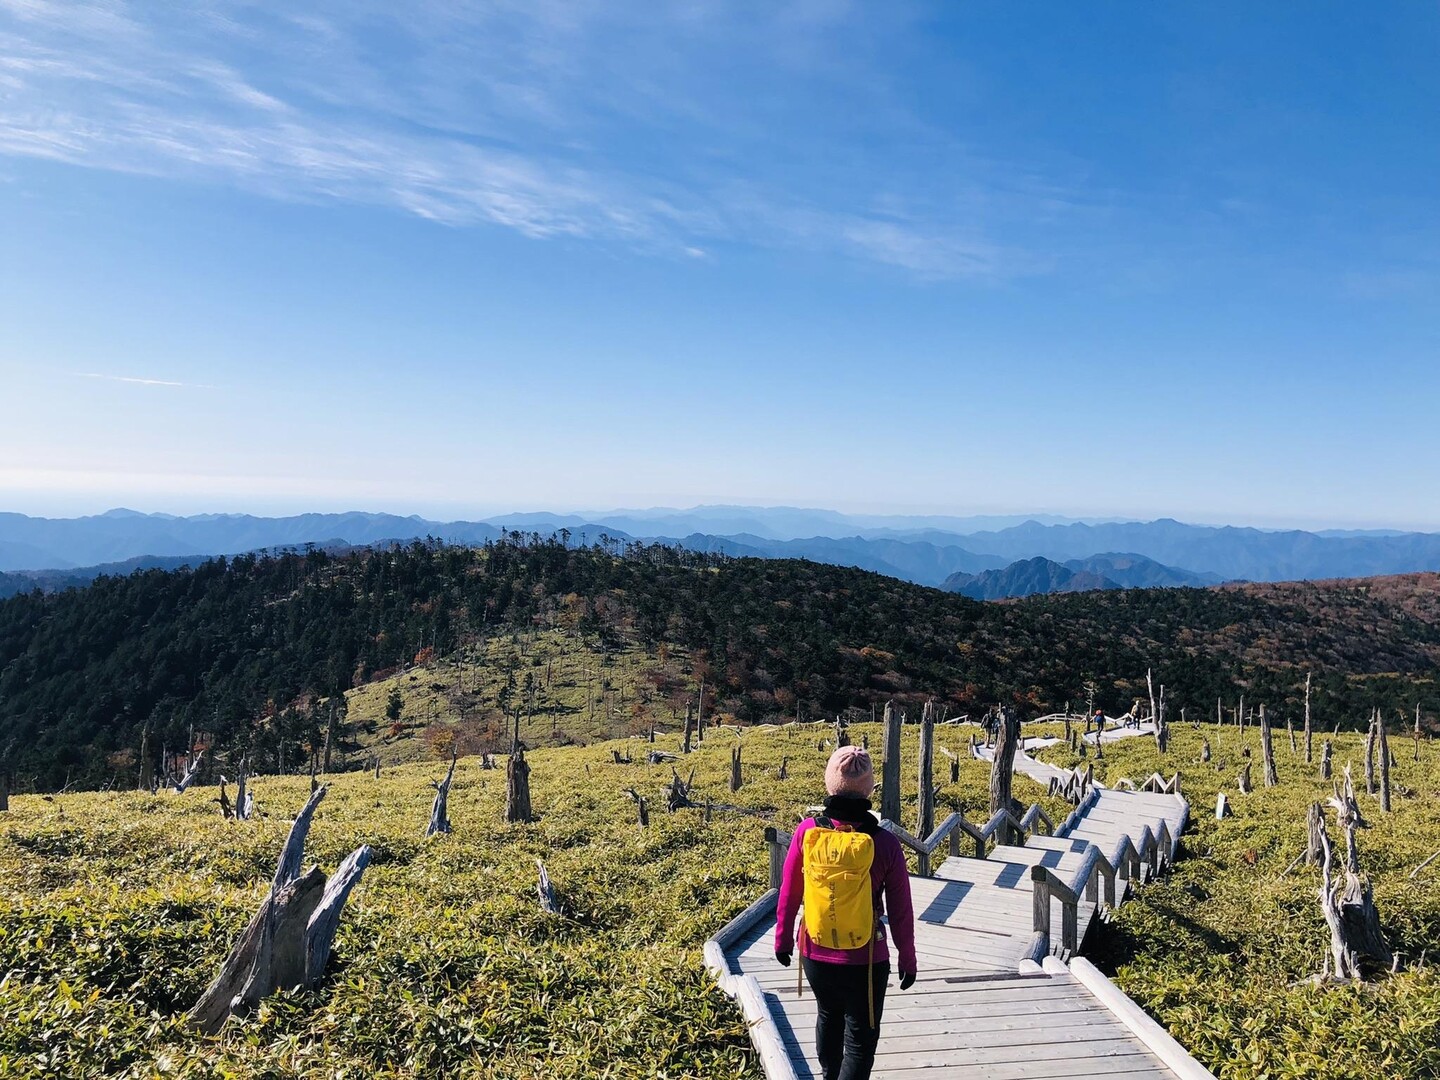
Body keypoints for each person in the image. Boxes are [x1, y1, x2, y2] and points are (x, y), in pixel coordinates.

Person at [774, 746, 916, 1080]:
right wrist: (907, 960)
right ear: (868, 788)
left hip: (814, 950)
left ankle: (828, 1075)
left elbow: (790, 891)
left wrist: (783, 941)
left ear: (830, 784)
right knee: (860, 1042)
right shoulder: (885, 843)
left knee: (828, 1015)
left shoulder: (807, 831)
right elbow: (900, 911)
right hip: (866, 959)